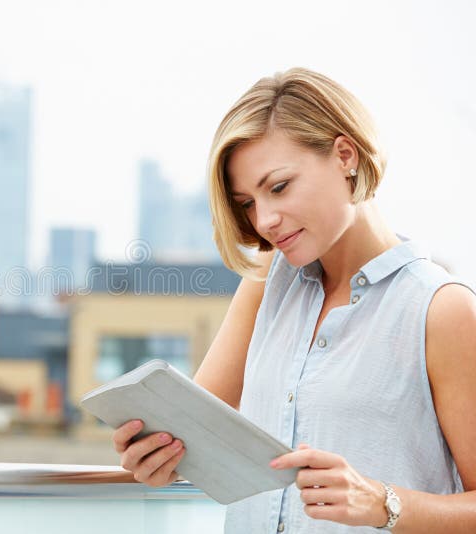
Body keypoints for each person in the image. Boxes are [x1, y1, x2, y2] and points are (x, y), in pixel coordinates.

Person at [111, 68, 476, 532]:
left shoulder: (441, 310)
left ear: (345, 155)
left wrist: (383, 502)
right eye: (247, 203)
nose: (264, 220)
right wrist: (159, 455)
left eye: (278, 187)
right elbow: (193, 435)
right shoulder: (268, 284)